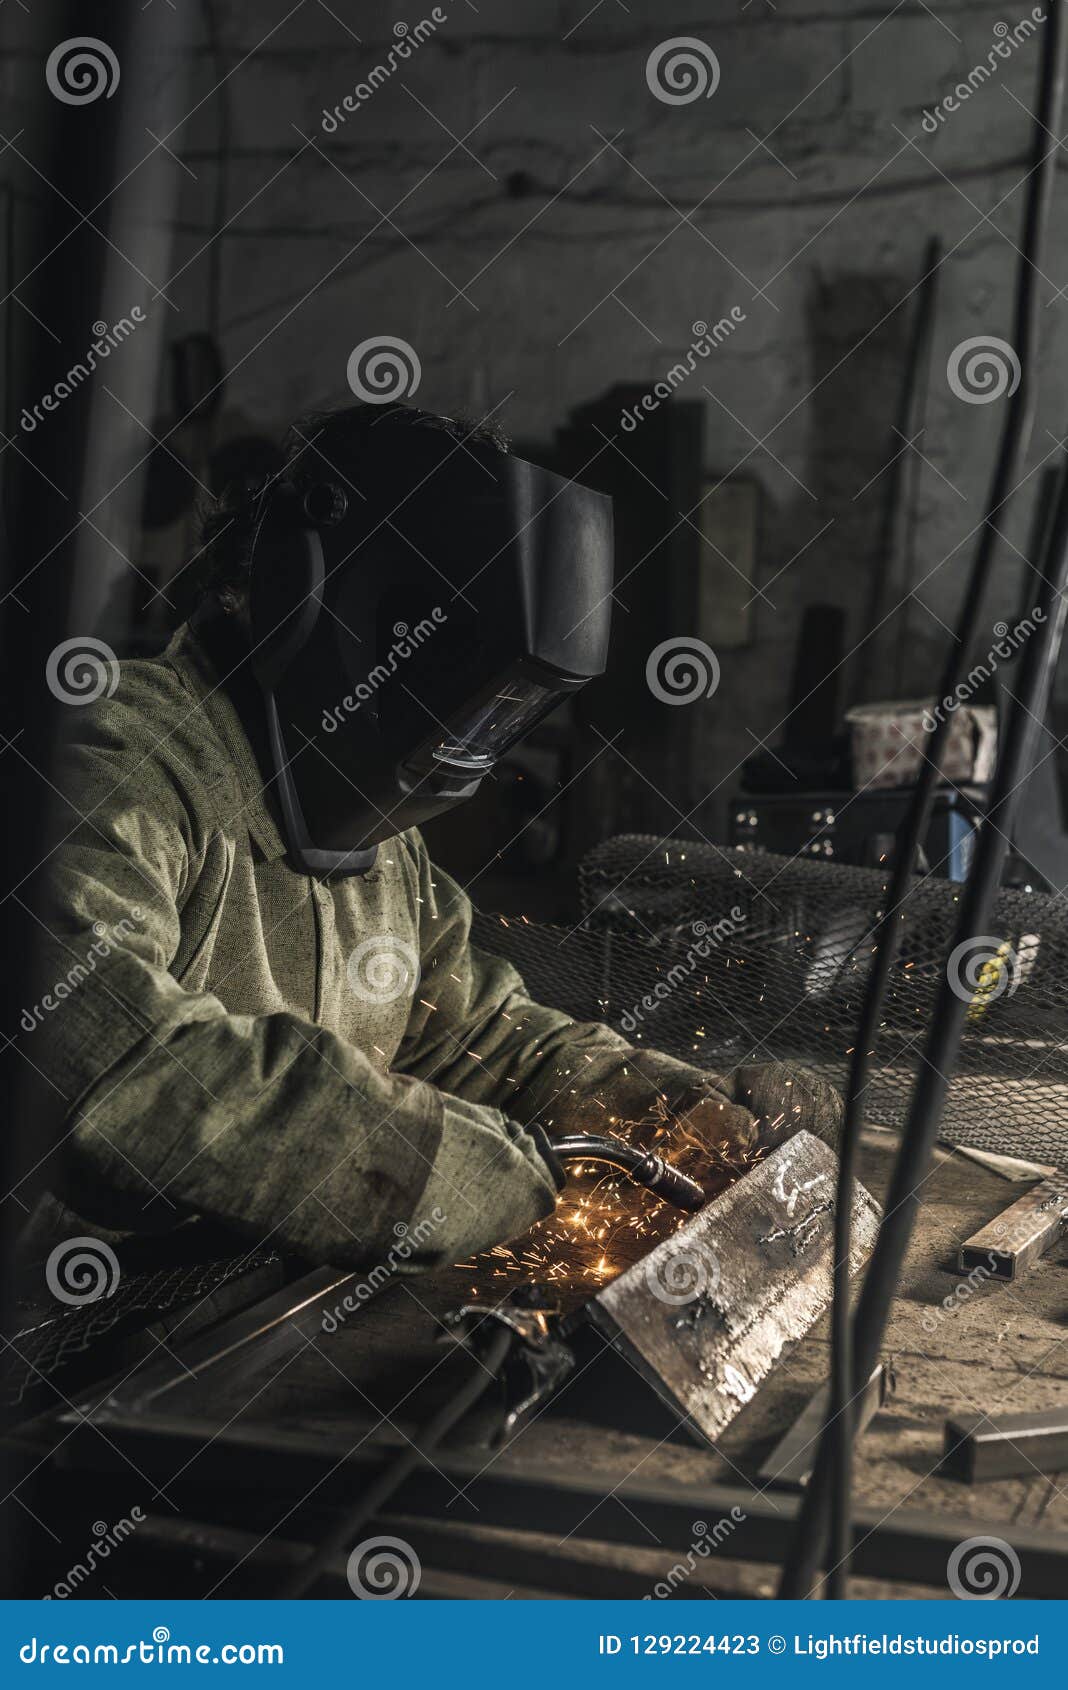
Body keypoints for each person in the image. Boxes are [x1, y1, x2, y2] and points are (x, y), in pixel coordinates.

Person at [33, 402, 840, 1273]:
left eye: (508, 712)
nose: (471, 750)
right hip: (60, 1319)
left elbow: (477, 1041)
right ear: (304, 597)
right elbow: (105, 1061)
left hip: (236, 1307)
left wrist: (673, 1110)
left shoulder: (373, 835)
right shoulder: (116, 762)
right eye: (468, 700)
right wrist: (426, 1168)